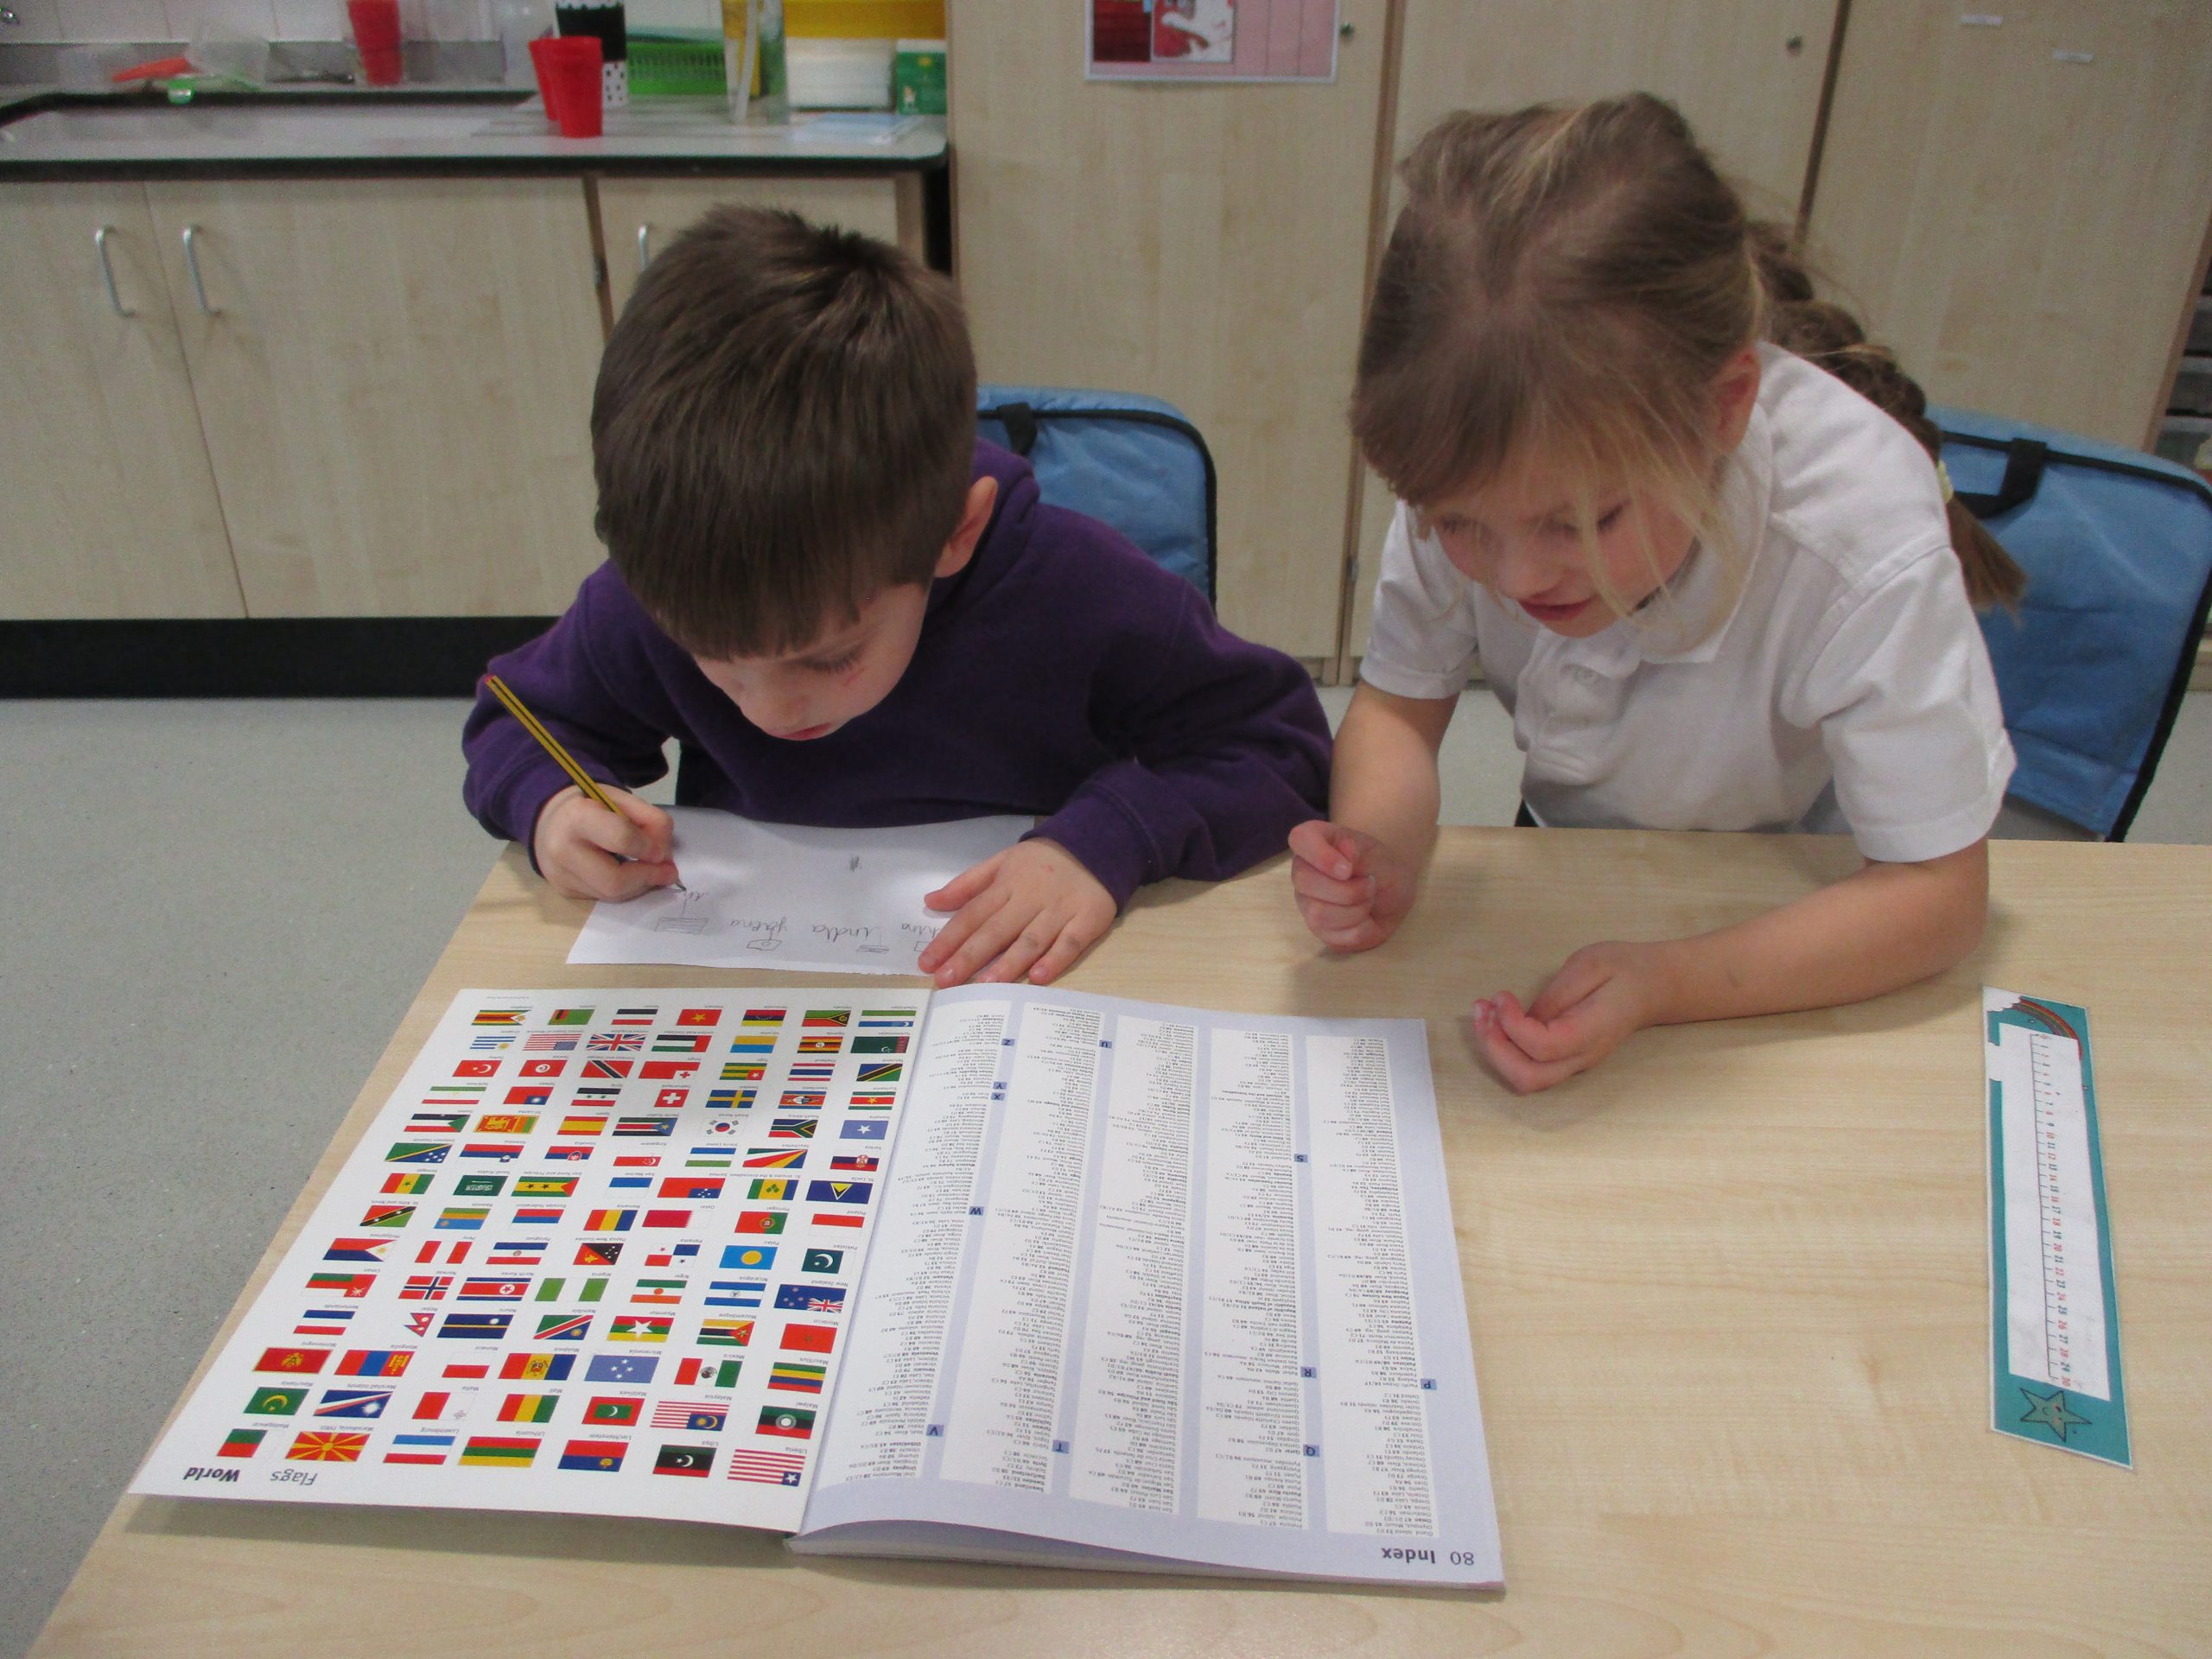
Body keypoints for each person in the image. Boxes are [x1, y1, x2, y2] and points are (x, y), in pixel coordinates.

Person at [1290, 94, 2023, 1092]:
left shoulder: (1857, 541)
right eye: (1458, 524)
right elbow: (1396, 710)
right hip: (1582, 858)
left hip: (1804, 900)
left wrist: (1666, 983)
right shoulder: (1478, 465)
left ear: (1723, 411)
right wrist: (1381, 851)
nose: (1516, 576)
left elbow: (1936, 895)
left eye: (1581, 524)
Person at [466, 206, 1330, 988]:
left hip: (1025, 980)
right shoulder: (666, 585)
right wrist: (552, 808)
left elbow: (1276, 746)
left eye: (829, 657)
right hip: (759, 985)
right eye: (720, 664)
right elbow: (519, 718)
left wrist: (1107, 839)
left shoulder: (1078, 588)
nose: (770, 709)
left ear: (956, 533)